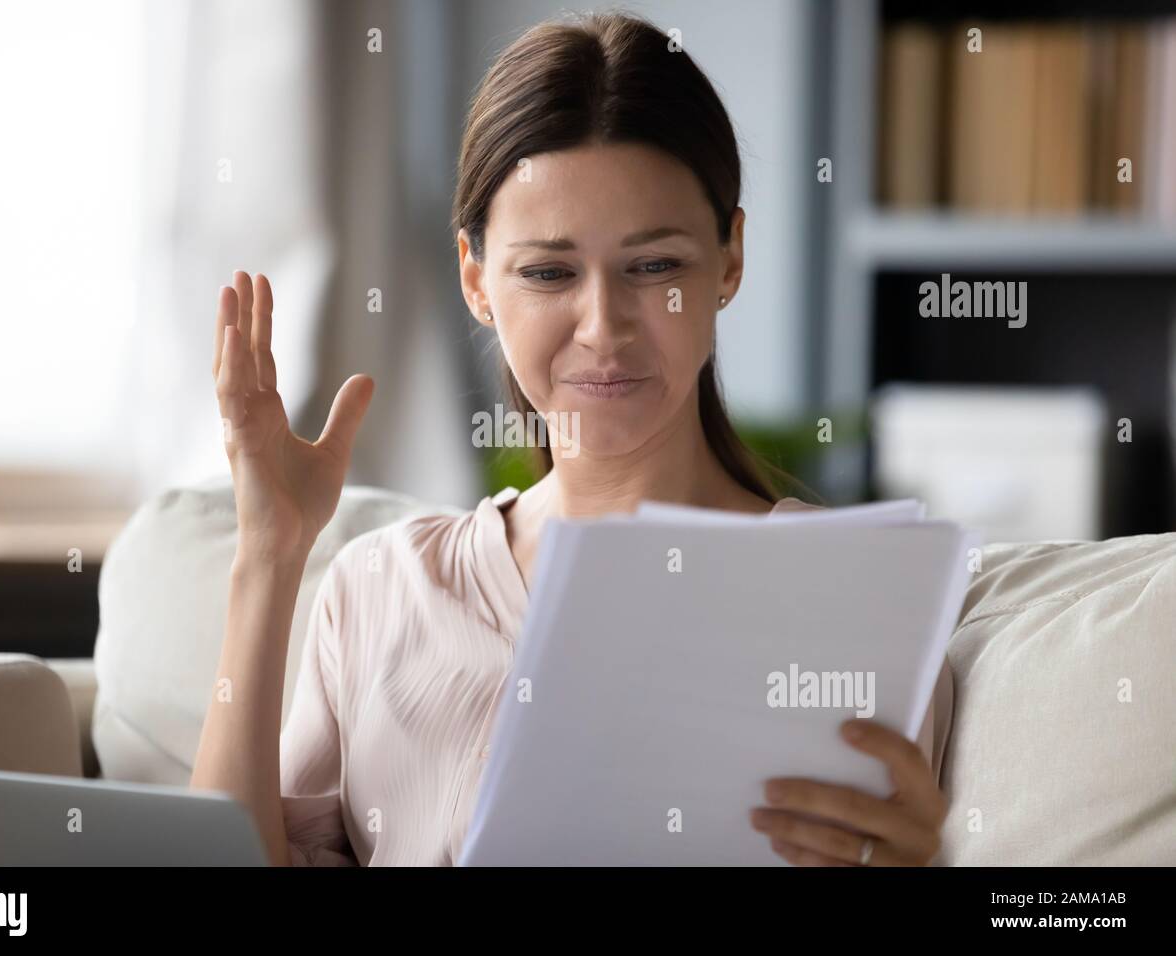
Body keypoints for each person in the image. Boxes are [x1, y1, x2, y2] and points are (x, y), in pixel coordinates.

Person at [190, 10, 950, 867]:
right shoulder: (381, 589)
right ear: (477, 281)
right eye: (549, 273)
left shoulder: (851, 599)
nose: (603, 327)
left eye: (654, 266)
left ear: (730, 258)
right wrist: (269, 552)